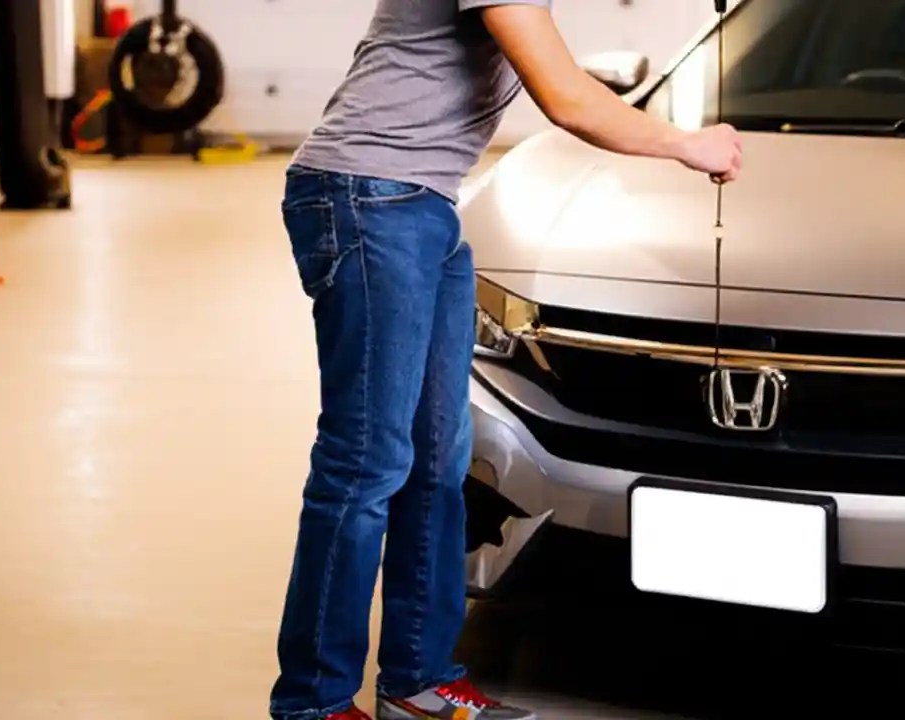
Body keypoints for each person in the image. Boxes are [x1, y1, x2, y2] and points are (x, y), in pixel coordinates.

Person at [269, 2, 743, 718]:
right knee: (364, 463)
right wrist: (686, 143)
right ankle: (313, 701)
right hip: (367, 199)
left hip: (421, 205)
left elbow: (551, 70)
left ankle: (417, 684)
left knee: (437, 463)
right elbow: (566, 99)